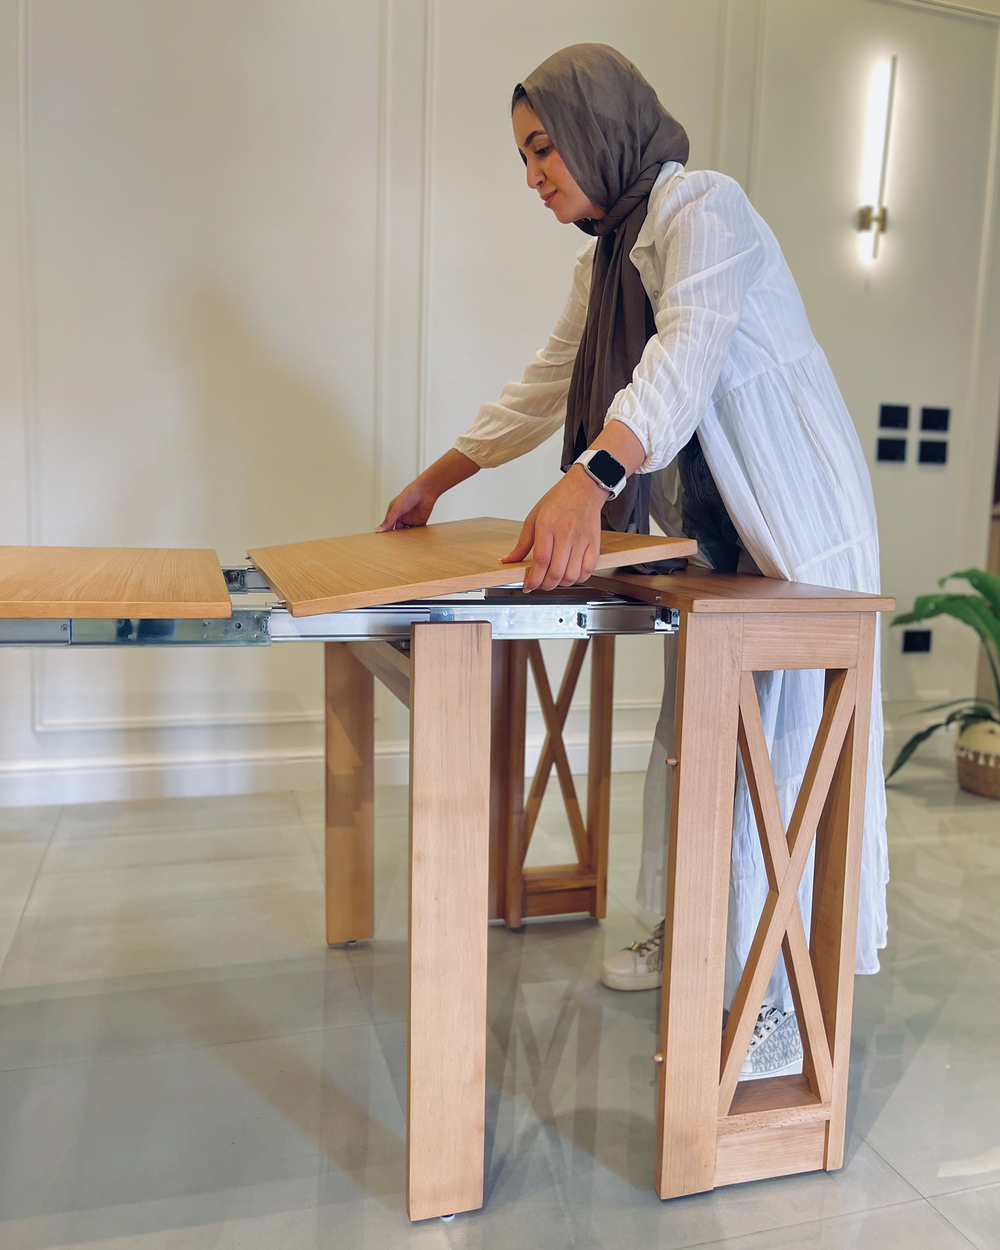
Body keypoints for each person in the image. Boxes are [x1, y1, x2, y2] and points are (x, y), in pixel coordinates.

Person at [379, 44, 889, 1080]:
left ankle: (775, 989)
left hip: (792, 520)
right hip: (710, 532)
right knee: (692, 740)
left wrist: (589, 477)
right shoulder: (605, 258)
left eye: (542, 148)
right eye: (523, 158)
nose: (534, 175)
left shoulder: (707, 208)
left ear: (600, 128)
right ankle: (691, 926)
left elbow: (687, 349)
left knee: (777, 761)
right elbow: (543, 383)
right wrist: (439, 477)